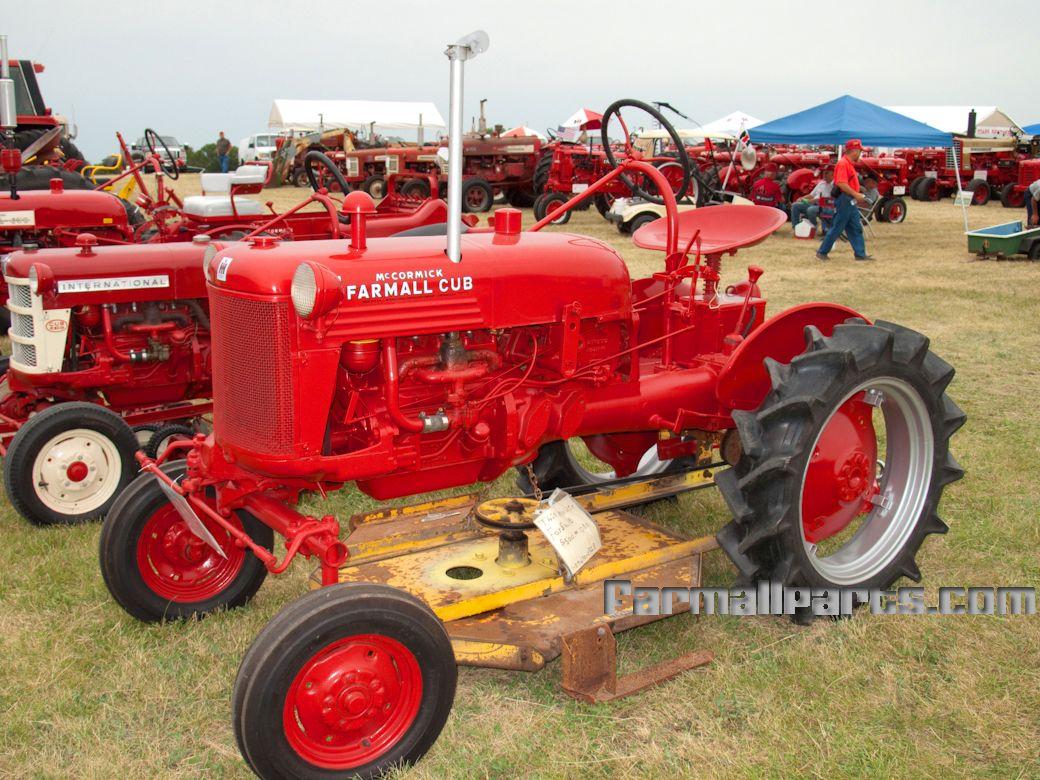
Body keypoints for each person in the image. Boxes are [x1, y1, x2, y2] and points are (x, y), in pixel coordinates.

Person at [816, 139, 873, 262]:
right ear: (854, 151)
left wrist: (855, 195)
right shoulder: (843, 164)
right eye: (859, 151)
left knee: (855, 227)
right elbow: (841, 183)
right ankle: (822, 252)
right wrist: (856, 194)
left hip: (849, 199)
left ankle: (860, 254)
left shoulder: (847, 163)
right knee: (837, 227)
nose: (860, 154)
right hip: (845, 199)